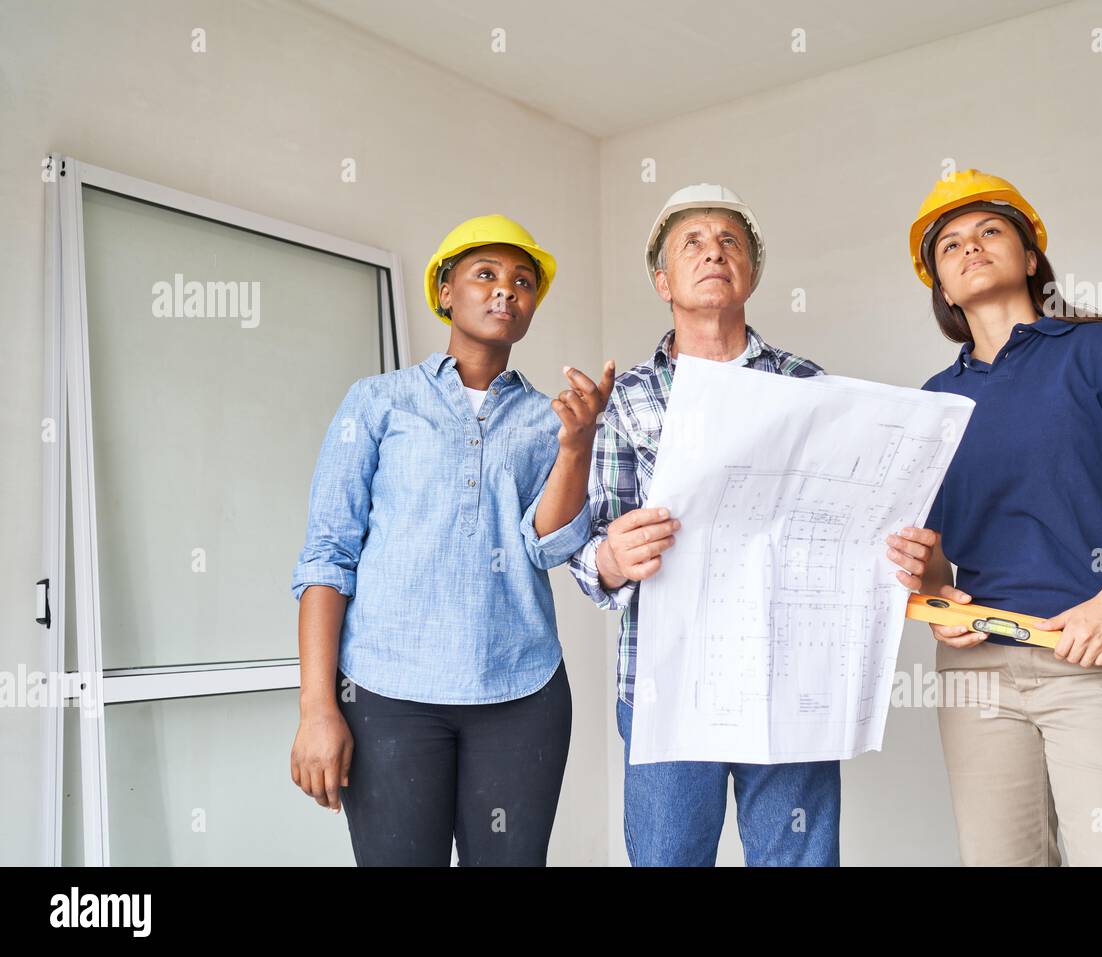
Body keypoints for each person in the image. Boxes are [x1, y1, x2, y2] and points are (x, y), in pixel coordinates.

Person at [568, 183, 939, 866]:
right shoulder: (626, 400)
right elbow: (587, 549)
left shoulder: (810, 387)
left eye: (730, 241)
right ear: (662, 281)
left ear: (752, 272)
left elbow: (849, 530)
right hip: (667, 685)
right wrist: (614, 558)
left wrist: (904, 555)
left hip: (792, 676)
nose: (714, 252)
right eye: (694, 242)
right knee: (667, 858)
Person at [910, 170, 1102, 866]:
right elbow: (930, 555)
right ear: (943, 288)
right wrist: (936, 603)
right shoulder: (931, 402)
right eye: (949, 245)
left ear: (1029, 256)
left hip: (1093, 662)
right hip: (976, 676)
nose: (970, 248)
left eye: (990, 230)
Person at [289, 214, 614, 866]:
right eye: (486, 274)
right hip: (386, 698)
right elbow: (328, 556)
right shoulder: (379, 402)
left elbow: (548, 546)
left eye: (522, 282)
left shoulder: (549, 418)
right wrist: (317, 707)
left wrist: (577, 444)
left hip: (521, 697)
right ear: (444, 291)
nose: (506, 290)